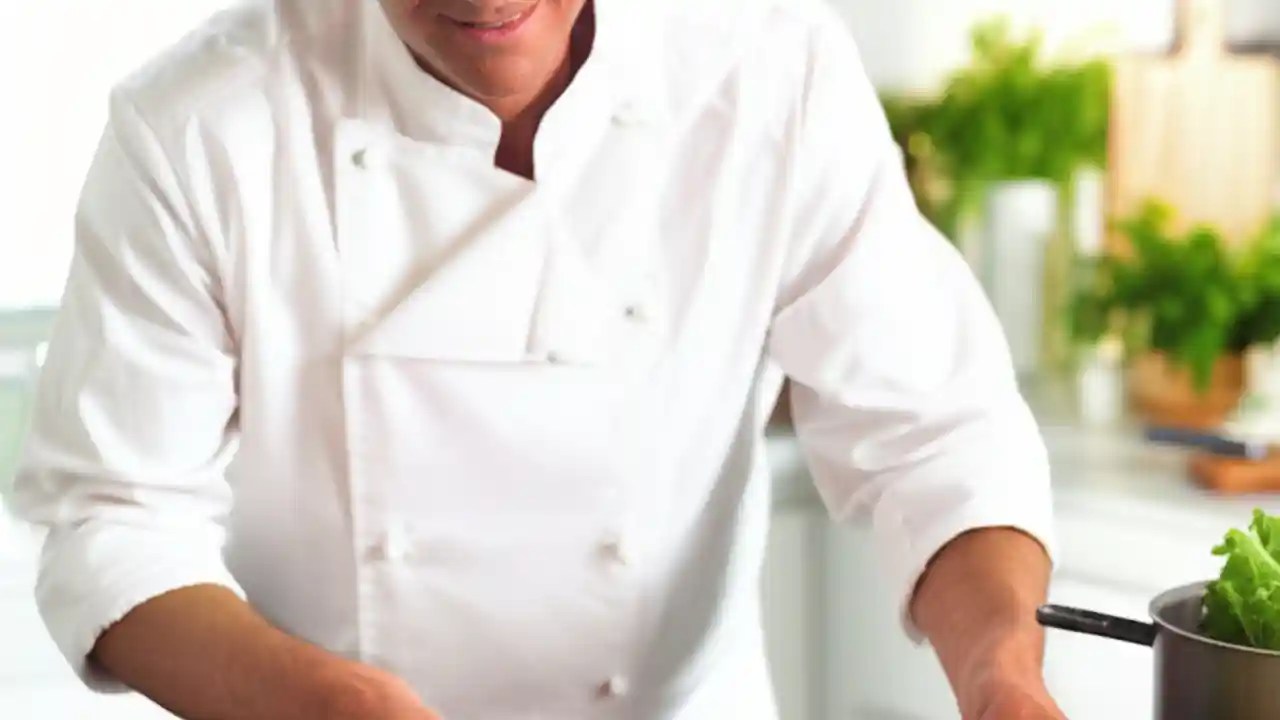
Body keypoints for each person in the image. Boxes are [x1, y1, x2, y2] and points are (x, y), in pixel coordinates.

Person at [11, 0, 1064, 718]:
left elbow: (934, 434)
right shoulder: (202, 124)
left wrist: (999, 674)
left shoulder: (763, 68)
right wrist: (333, 703)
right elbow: (113, 522)